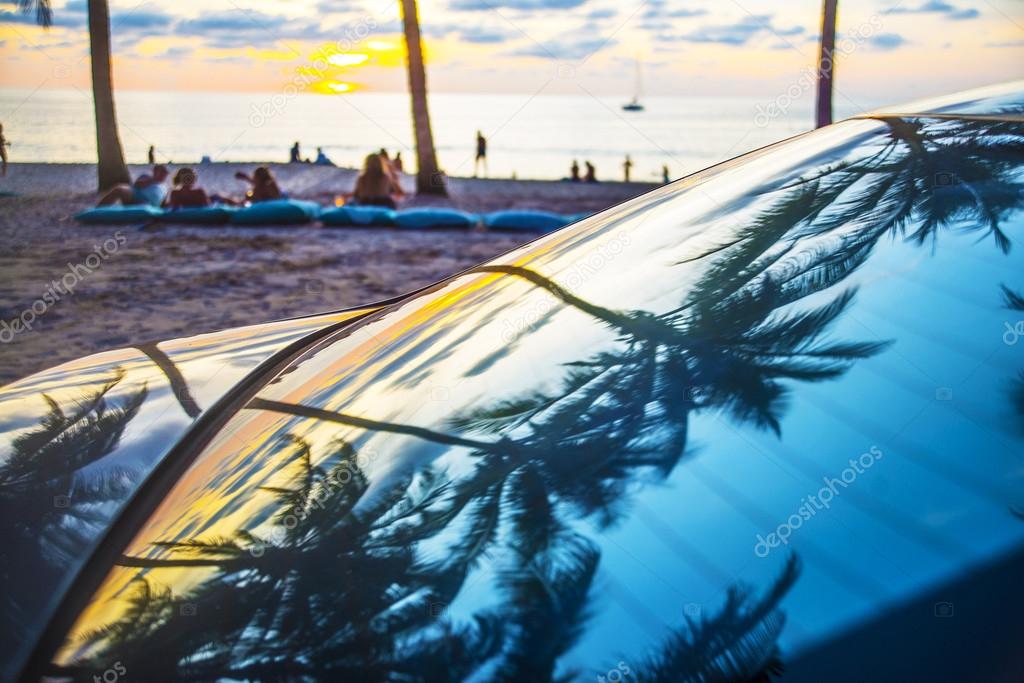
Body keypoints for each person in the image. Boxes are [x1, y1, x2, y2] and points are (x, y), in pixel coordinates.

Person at [97, 164, 169, 206]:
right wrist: (154, 180)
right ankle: (99, 208)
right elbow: (137, 185)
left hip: (148, 204)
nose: (163, 175)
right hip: (134, 197)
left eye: (165, 173)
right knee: (119, 189)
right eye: (161, 172)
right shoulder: (146, 177)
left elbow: (163, 203)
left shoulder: (165, 187)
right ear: (155, 171)